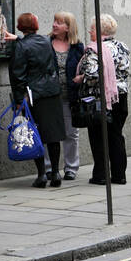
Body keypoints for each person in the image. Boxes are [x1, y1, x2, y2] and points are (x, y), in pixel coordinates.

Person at [9, 12, 66, 188]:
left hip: (33, 96)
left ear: (20, 27)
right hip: (52, 92)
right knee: (53, 135)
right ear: (36, 25)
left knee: (35, 134)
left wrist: (18, 100)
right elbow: (54, 65)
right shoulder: (46, 41)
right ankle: (55, 172)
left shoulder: (20, 46)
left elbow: (17, 75)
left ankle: (42, 174)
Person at [74, 14, 130, 185]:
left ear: (99, 31)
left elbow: (93, 74)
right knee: (116, 135)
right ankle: (119, 175)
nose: (90, 32)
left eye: (92, 29)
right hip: (120, 96)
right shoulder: (122, 46)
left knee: (98, 137)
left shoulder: (94, 49)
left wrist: (80, 78)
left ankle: (101, 175)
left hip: (100, 99)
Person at [45, 11, 84, 181]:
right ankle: (49, 168)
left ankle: (71, 168)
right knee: (49, 133)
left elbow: (85, 67)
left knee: (71, 134)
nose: (54, 24)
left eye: (59, 22)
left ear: (68, 27)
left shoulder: (77, 47)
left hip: (70, 96)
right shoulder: (46, 43)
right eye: (54, 21)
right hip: (49, 97)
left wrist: (81, 77)